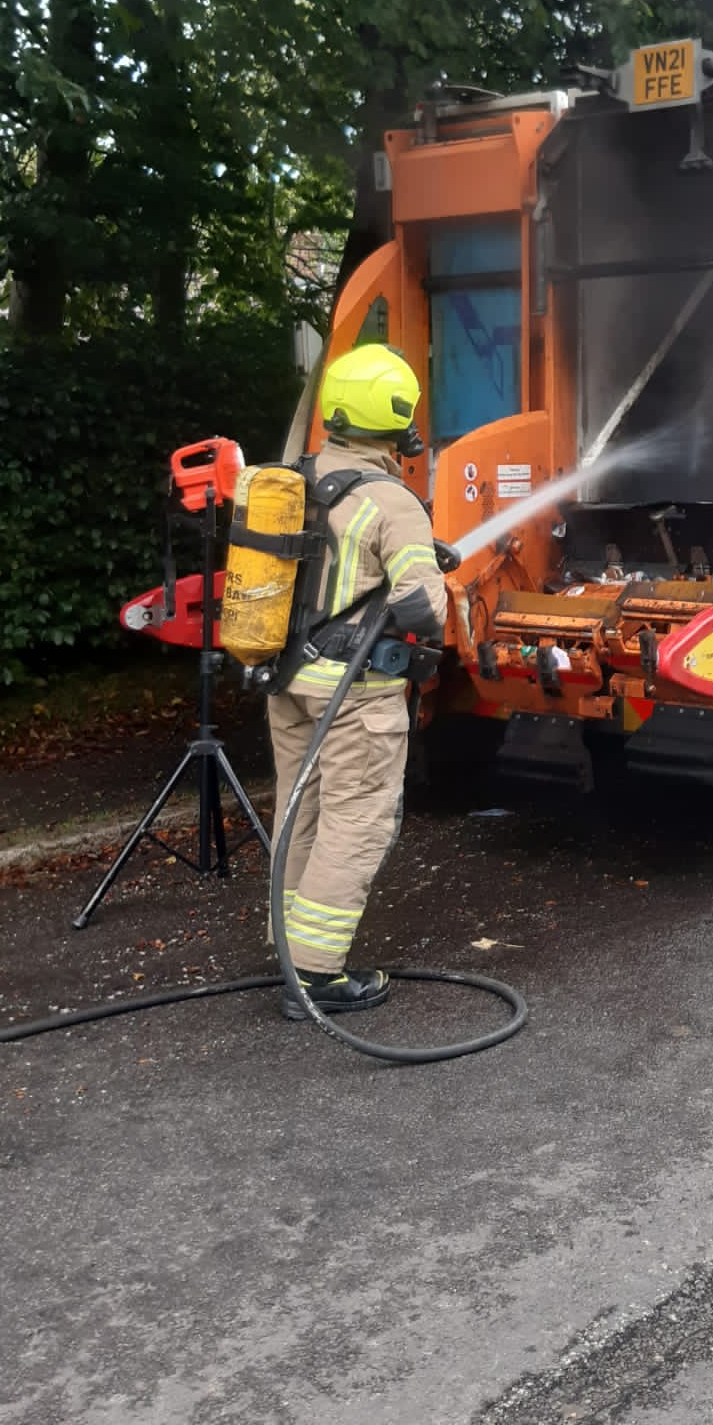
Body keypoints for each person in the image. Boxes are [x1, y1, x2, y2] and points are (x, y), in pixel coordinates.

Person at [268, 344, 447, 1021]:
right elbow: (425, 609)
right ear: (398, 417)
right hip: (354, 696)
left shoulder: (298, 478)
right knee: (356, 821)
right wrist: (430, 574)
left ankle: (289, 951)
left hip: (289, 682)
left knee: (301, 814)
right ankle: (315, 976)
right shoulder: (388, 500)